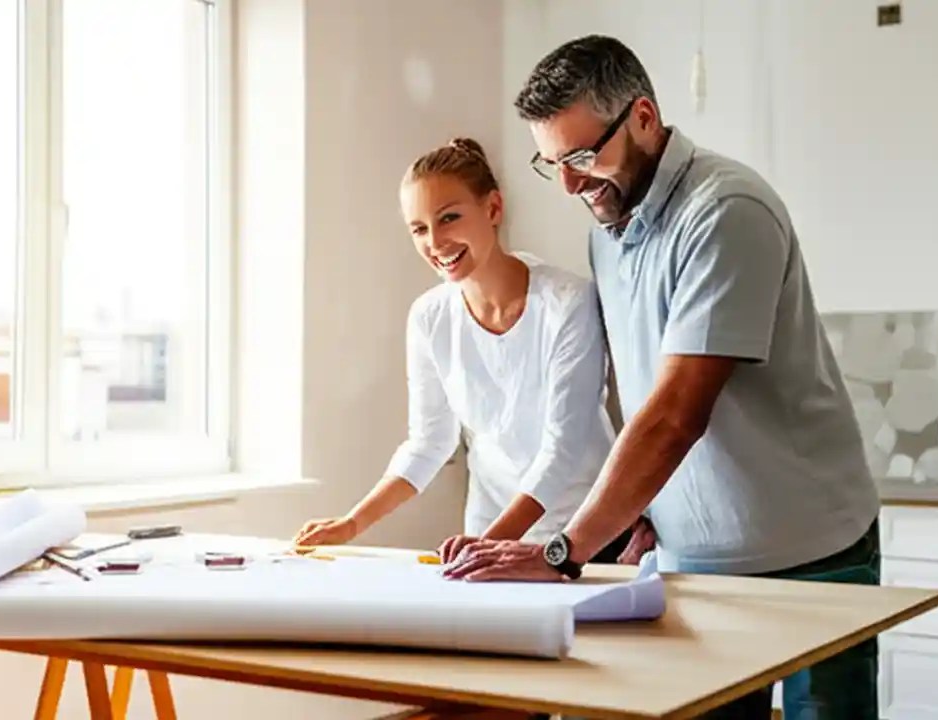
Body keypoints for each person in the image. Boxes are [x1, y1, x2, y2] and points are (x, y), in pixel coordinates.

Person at [442, 36, 882, 720]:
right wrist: (641, 509)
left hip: (810, 553)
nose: (568, 184)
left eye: (583, 156)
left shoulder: (726, 212)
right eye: (551, 163)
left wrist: (564, 552)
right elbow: (642, 389)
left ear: (643, 117)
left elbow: (678, 412)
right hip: (694, 562)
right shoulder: (607, 232)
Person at [292, 137, 647, 564]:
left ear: (493, 209)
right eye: (419, 229)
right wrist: (351, 524)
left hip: (584, 539)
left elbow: (563, 450)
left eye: (450, 218)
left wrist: (489, 547)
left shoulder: (568, 303)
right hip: (491, 535)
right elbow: (428, 443)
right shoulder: (429, 317)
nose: (435, 243)